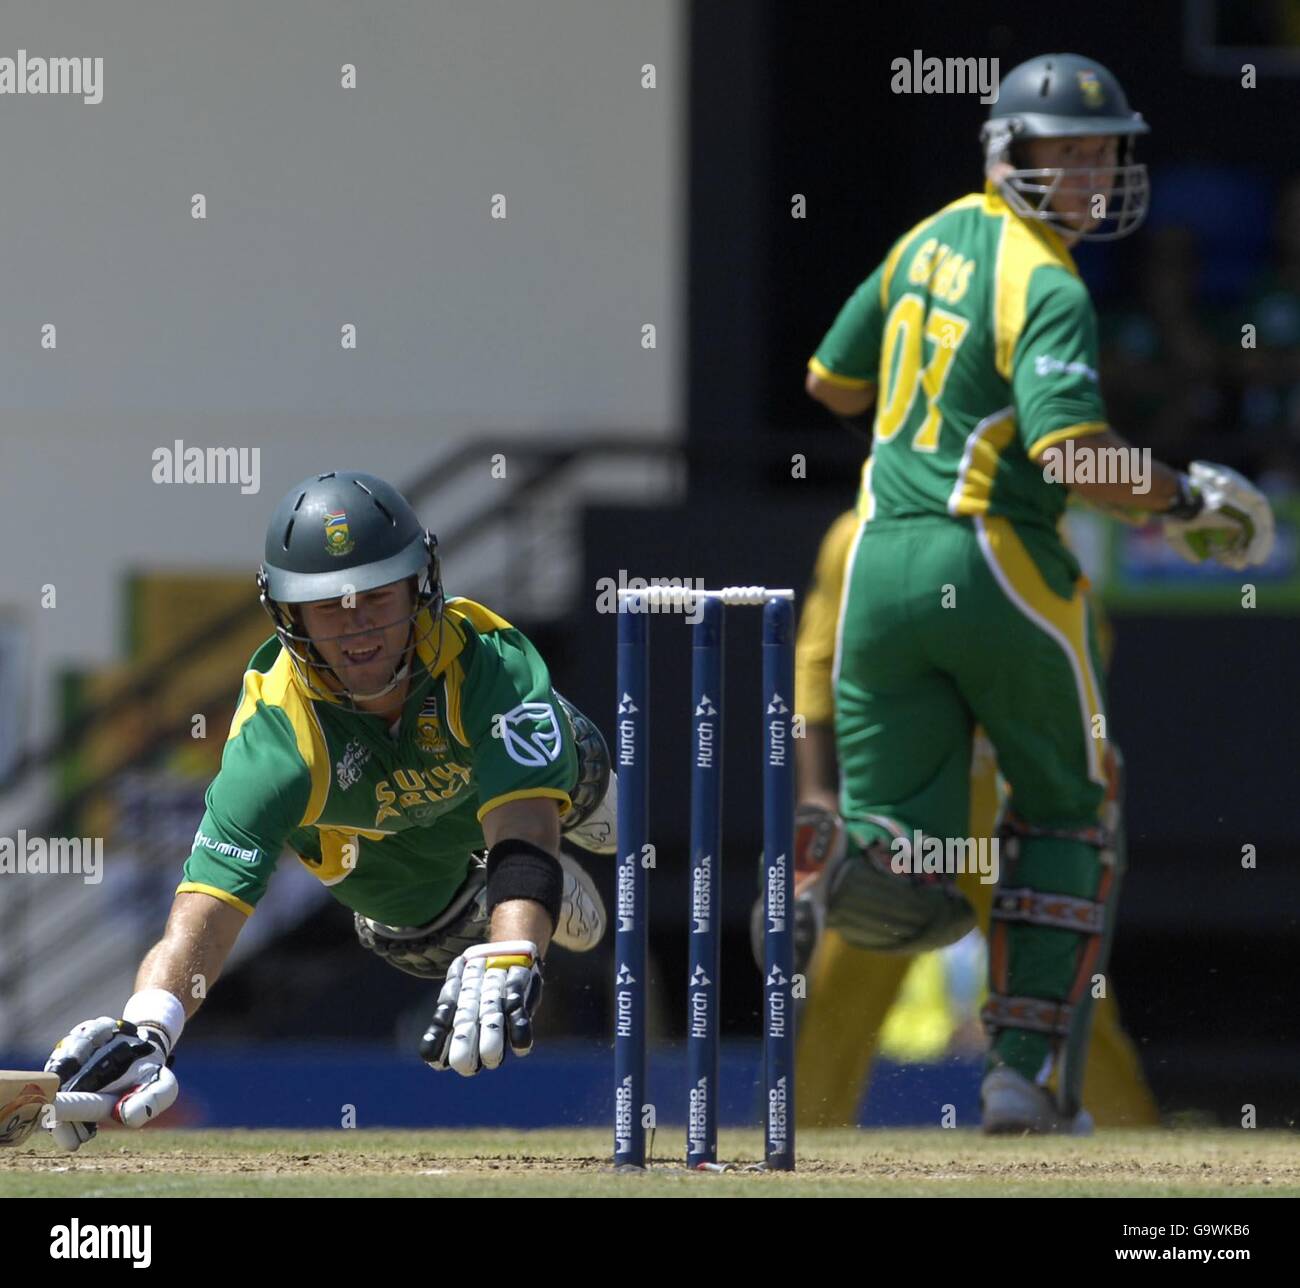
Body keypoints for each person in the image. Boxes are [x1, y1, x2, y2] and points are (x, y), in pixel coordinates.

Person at [799, 54, 1273, 1133]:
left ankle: (851, 859)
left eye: (1105, 150)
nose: (1094, 173)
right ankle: (1021, 1080)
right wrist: (1184, 496)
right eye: (1068, 152)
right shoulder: (1046, 279)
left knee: (905, 864)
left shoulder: (922, 239)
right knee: (1070, 807)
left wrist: (919, 419)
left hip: (877, 553)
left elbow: (828, 382)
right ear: (1008, 154)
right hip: (993, 556)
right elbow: (1070, 458)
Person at [40, 471, 616, 1150]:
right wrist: (149, 1027)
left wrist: (515, 949)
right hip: (381, 849)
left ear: (419, 585)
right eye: (329, 606)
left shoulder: (486, 665)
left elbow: (521, 825)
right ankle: (512, 900)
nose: (358, 624)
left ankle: (540, 882)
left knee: (575, 761)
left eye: (376, 595)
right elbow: (208, 906)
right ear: (289, 616)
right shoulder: (276, 740)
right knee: (407, 938)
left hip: (492, 800)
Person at [786, 507, 1158, 1130]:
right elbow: (814, 668)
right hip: (903, 813)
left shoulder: (1040, 531)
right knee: (837, 993)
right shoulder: (857, 535)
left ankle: (1136, 1145)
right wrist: (818, 794)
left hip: (1002, 800)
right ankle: (799, 1143)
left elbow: (1084, 654)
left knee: (1070, 995)